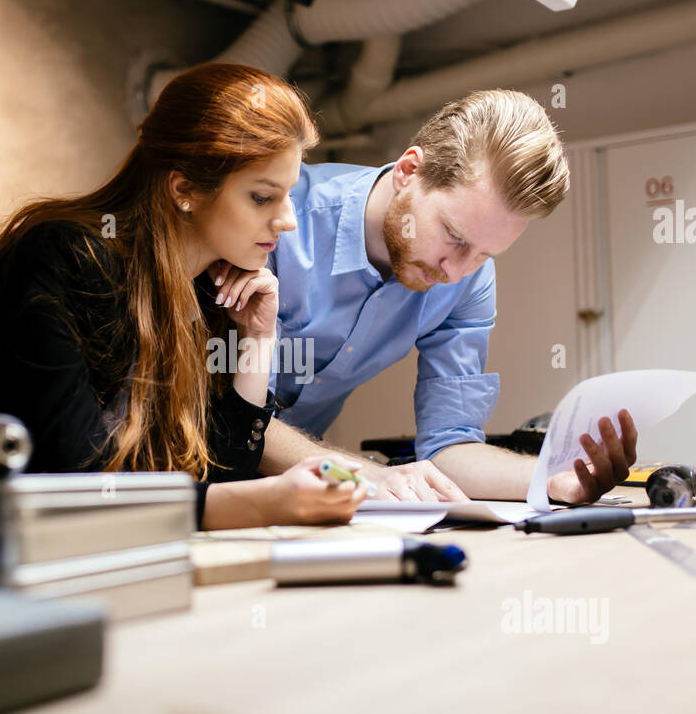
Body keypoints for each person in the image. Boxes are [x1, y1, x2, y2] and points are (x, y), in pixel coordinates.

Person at [0, 64, 369, 529]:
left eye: (289, 195)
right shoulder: (63, 257)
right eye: (263, 198)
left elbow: (214, 471)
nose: (287, 222)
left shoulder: (211, 293)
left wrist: (258, 341)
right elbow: (73, 486)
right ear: (184, 188)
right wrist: (260, 504)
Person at [262, 88, 638, 503]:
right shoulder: (275, 221)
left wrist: (552, 477)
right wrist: (368, 475)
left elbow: (450, 446)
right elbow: (230, 416)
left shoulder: (469, 278)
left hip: (297, 493)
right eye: (454, 237)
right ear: (408, 171)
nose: (455, 272)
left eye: (485, 254)